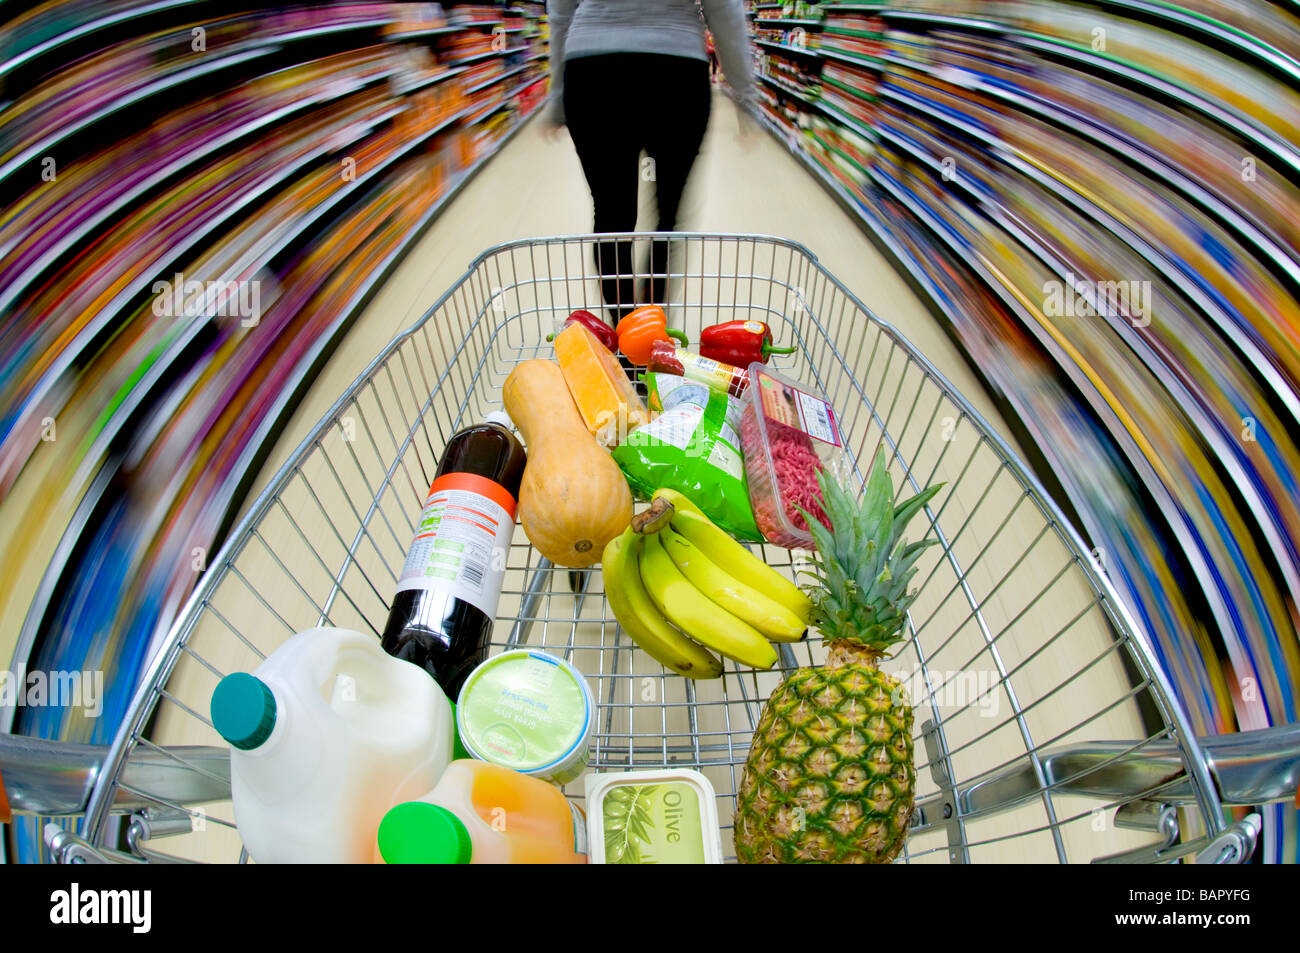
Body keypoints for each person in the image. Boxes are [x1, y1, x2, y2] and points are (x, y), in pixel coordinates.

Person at [545, 0, 757, 318]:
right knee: (667, 220)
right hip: (675, 74)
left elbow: (561, 12)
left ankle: (626, 335)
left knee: (612, 217)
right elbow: (724, 8)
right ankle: (649, 334)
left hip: (592, 73)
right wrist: (744, 94)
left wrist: (558, 95)